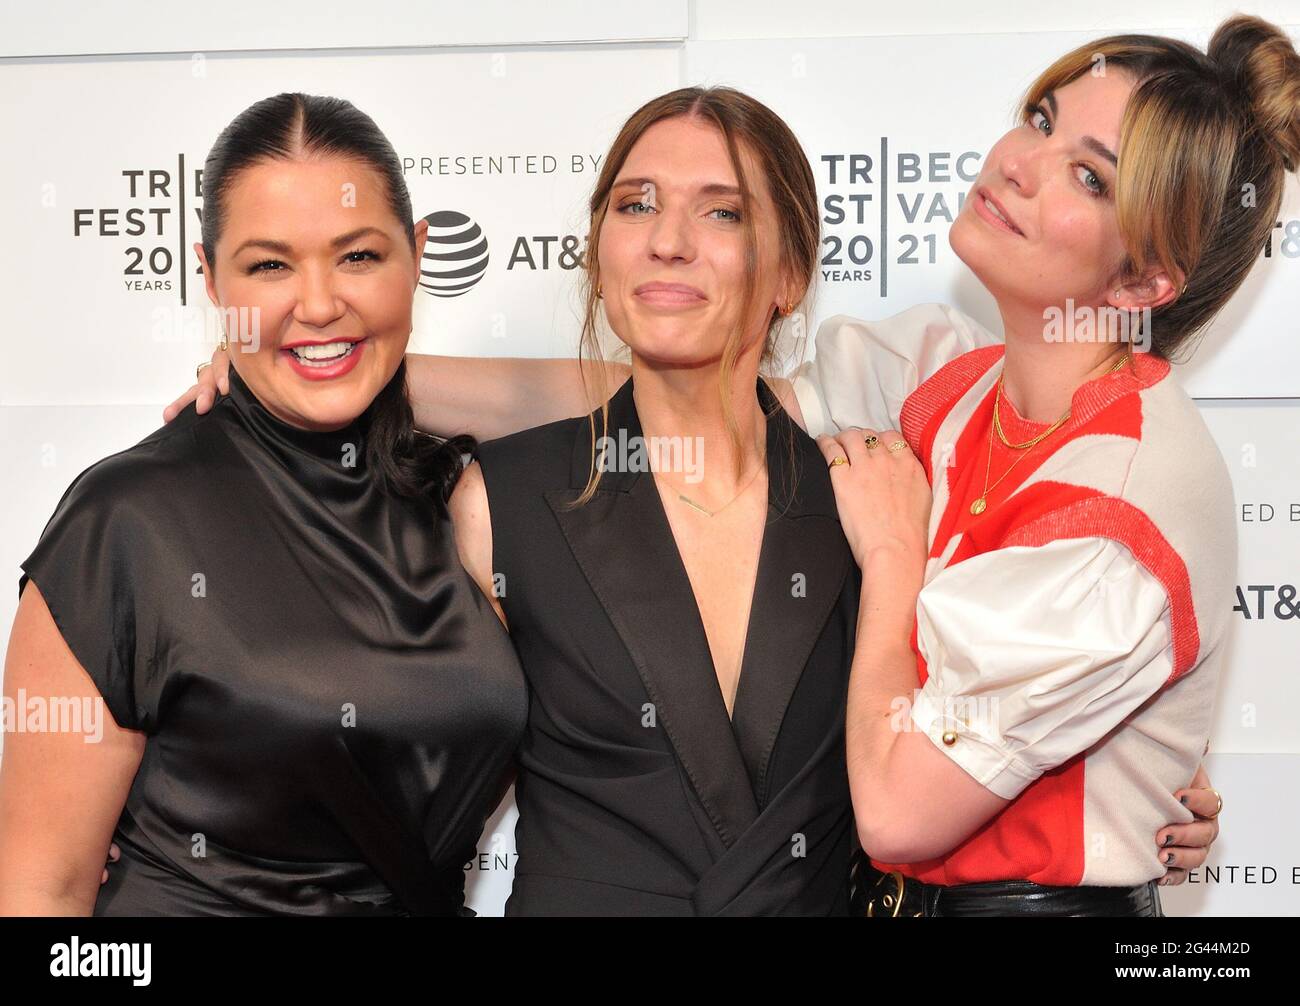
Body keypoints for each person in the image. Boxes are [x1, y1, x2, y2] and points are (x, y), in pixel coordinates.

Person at [171, 76, 1226, 913]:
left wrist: (1132, 787)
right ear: (600, 249)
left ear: (788, 278)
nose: (669, 238)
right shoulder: (934, 401)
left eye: (721, 212)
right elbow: (390, 764)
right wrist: (332, 362)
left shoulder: (886, 477)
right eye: (636, 204)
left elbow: (928, 764)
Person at [810, 14, 1296, 915]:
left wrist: (890, 555)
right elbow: (711, 415)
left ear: (1145, 283)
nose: (1016, 162)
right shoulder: (949, 384)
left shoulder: (1126, 499)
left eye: (1088, 174)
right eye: (1041, 119)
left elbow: (896, 813)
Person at [0, 93, 527, 916]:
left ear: (418, 257)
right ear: (208, 277)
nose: (316, 303)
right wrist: (325, 349)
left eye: (358, 258)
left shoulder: (457, 500)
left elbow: (679, 398)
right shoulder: (126, 522)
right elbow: (40, 890)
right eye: (268, 267)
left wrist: (365, 361)